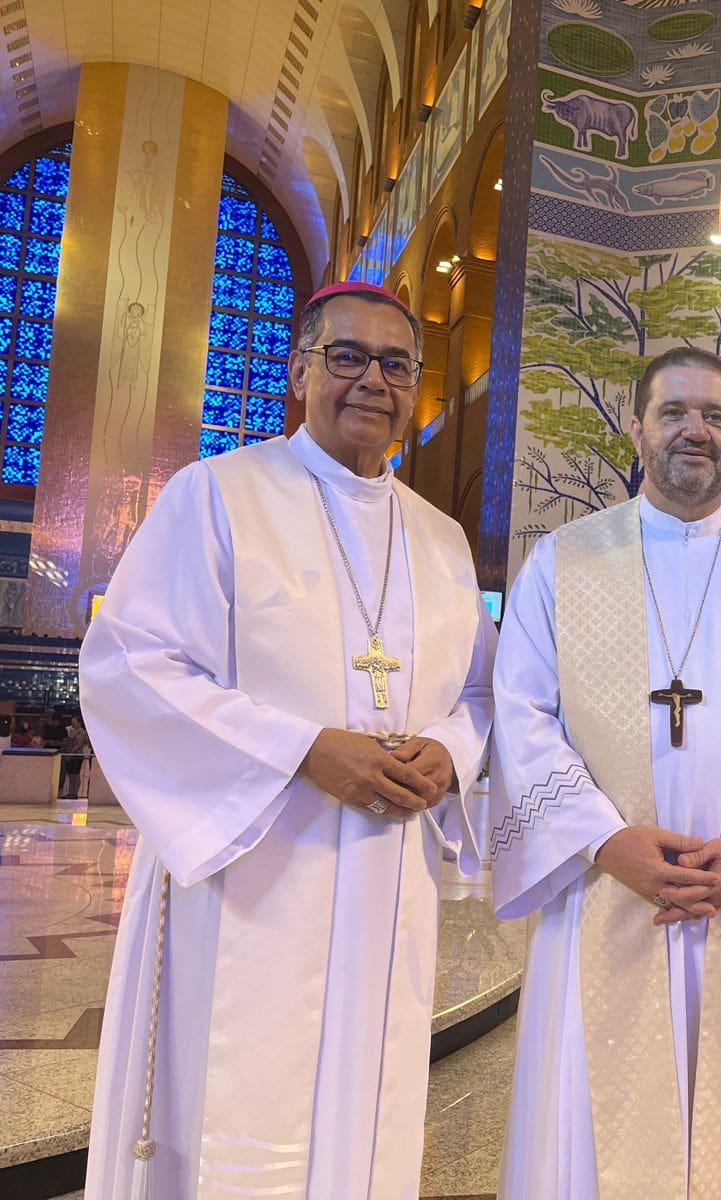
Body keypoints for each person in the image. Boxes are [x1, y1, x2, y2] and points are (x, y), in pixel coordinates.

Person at [78, 281, 496, 1198]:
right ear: (300, 372)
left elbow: (478, 692)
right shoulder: (219, 495)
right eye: (347, 356)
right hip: (253, 869)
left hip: (389, 878)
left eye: (396, 365)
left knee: (369, 1107)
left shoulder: (441, 539)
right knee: (238, 1110)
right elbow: (130, 663)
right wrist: (306, 749)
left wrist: (450, 751)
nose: (373, 380)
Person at [489, 346, 721, 1199]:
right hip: (601, 885)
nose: (696, 431)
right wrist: (606, 840)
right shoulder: (564, 561)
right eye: (675, 412)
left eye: (717, 417)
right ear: (637, 428)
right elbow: (520, 713)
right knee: (586, 1122)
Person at [58, 715, 87, 799]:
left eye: (74, 722)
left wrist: (71, 753)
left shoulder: (82, 732)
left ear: (79, 723)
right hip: (69, 754)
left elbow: (79, 745)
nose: (72, 724)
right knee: (70, 775)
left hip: (76, 756)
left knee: (75, 774)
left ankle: (75, 793)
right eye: (72, 722)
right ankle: (70, 792)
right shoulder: (71, 731)